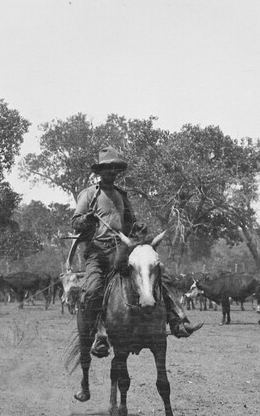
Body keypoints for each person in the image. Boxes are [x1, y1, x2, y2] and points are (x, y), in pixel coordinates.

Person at [71, 147, 202, 363]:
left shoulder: (121, 195)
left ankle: (177, 320)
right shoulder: (88, 194)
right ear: (100, 171)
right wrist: (88, 219)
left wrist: (137, 228)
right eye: (107, 168)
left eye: (114, 168)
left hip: (122, 250)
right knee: (93, 289)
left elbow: (130, 224)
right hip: (97, 253)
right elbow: (75, 222)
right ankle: (99, 334)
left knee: (157, 273)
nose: (111, 172)